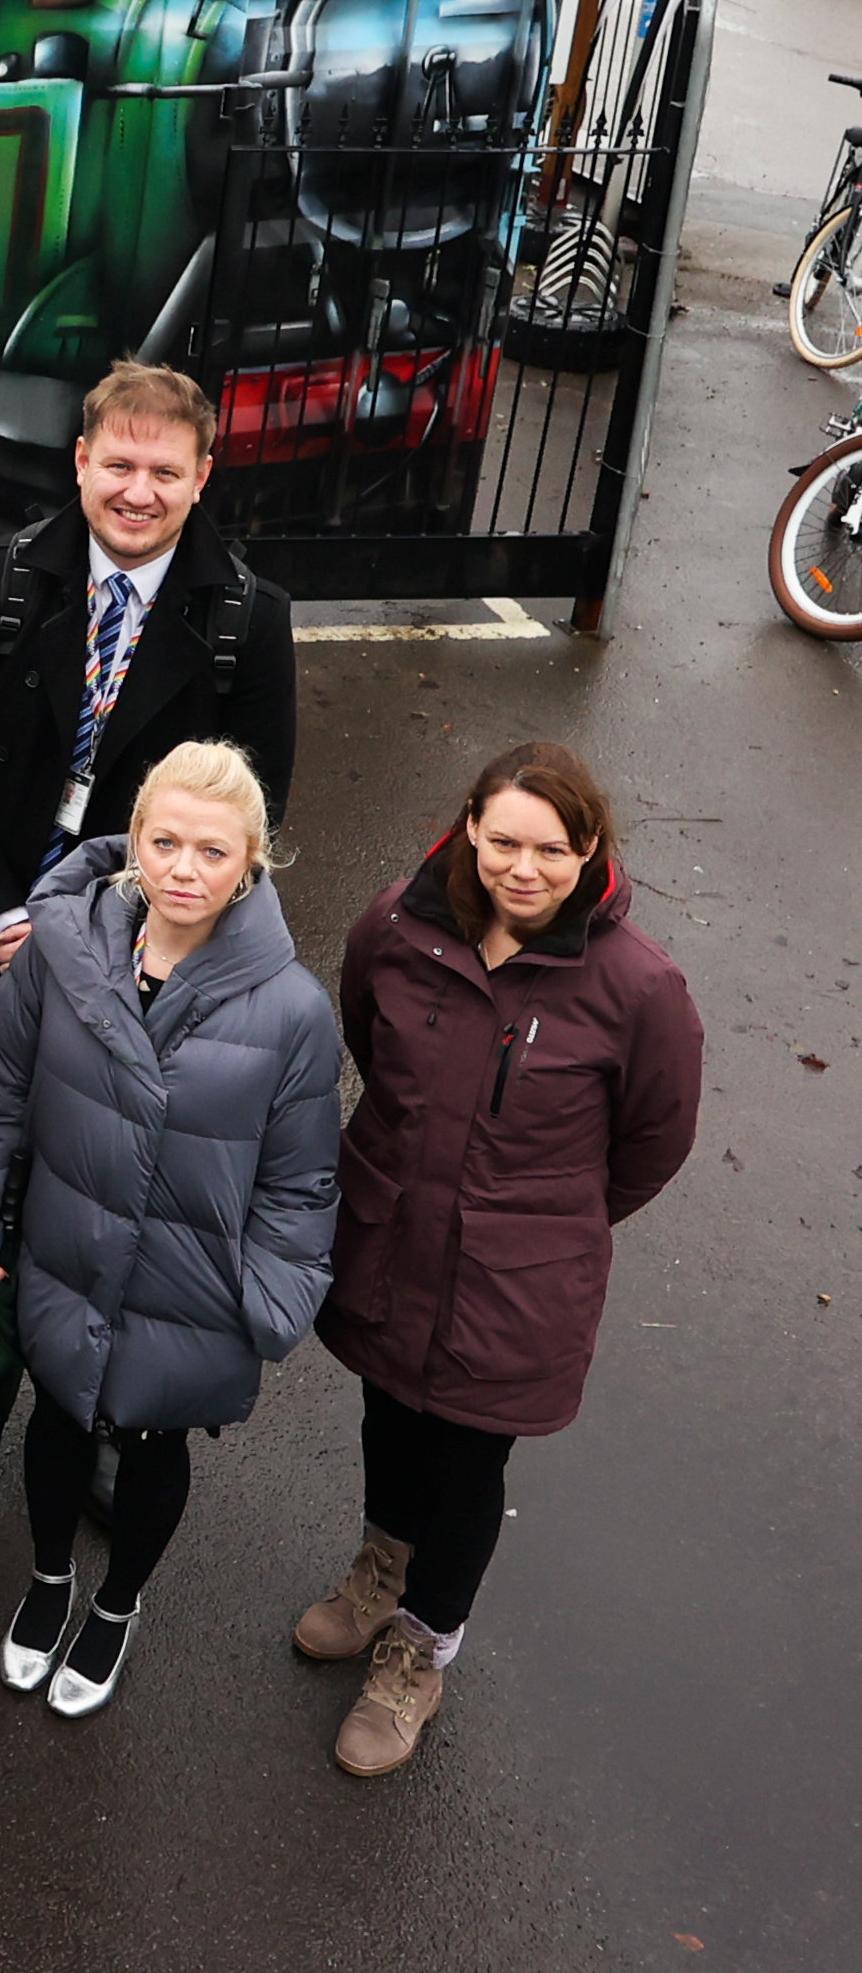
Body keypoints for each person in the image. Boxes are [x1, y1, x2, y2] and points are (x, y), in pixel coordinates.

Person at [0, 360, 298, 1482]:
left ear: (204, 476)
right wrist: (7, 916)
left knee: (112, 1178)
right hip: (0, 934)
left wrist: (97, 932)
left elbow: (250, 817)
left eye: (166, 470)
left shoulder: (248, 623)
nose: (139, 490)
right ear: (80, 461)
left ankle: (103, 1405)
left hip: (141, 955)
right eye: (119, 463)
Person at [292, 741, 702, 1776]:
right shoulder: (392, 926)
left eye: (552, 850)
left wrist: (552, 1219)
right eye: (505, 841)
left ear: (591, 850)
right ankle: (380, 1569)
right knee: (389, 1412)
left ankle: (420, 1649)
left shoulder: (639, 986)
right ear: (469, 826)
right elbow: (366, 1038)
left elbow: (655, 1137)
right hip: (392, 1239)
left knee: (470, 1458)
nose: (525, 868)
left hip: (514, 1282)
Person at [0, 740, 338, 1718]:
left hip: (189, 1281)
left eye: (213, 851)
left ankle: (116, 1602)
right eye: (165, 842)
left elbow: (303, 1178)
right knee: (60, 1418)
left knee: (152, 1444)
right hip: (69, 1246)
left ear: (253, 861)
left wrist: (264, 1305)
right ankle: (50, 1577)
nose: (185, 870)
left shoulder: (293, 1010)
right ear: (132, 842)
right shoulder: (60, 954)